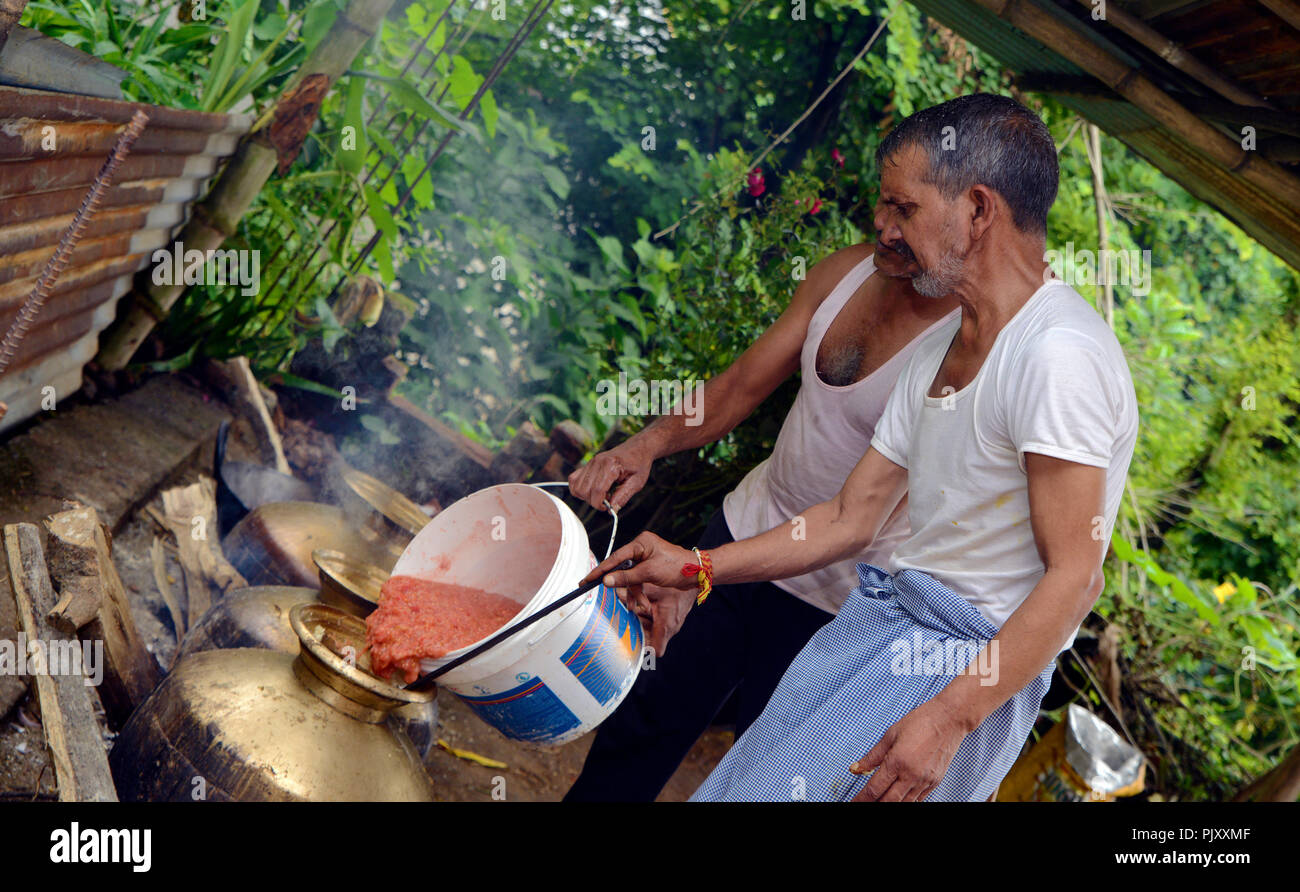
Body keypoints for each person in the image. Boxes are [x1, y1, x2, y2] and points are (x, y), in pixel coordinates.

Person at [588, 93, 1140, 802]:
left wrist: (948, 718)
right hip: (877, 625)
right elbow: (851, 516)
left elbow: (1076, 577)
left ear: (977, 210)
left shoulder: (1058, 354)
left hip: (959, 669)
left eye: (904, 207)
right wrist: (698, 567)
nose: (883, 223)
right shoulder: (942, 344)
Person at [562, 221, 960, 802]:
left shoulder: (966, 346)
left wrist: (699, 567)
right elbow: (743, 383)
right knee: (641, 723)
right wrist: (646, 444)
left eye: (905, 207)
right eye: (881, 199)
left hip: (836, 602)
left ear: (961, 211)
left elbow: (855, 520)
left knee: (769, 781)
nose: (883, 222)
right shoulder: (845, 272)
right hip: (742, 532)